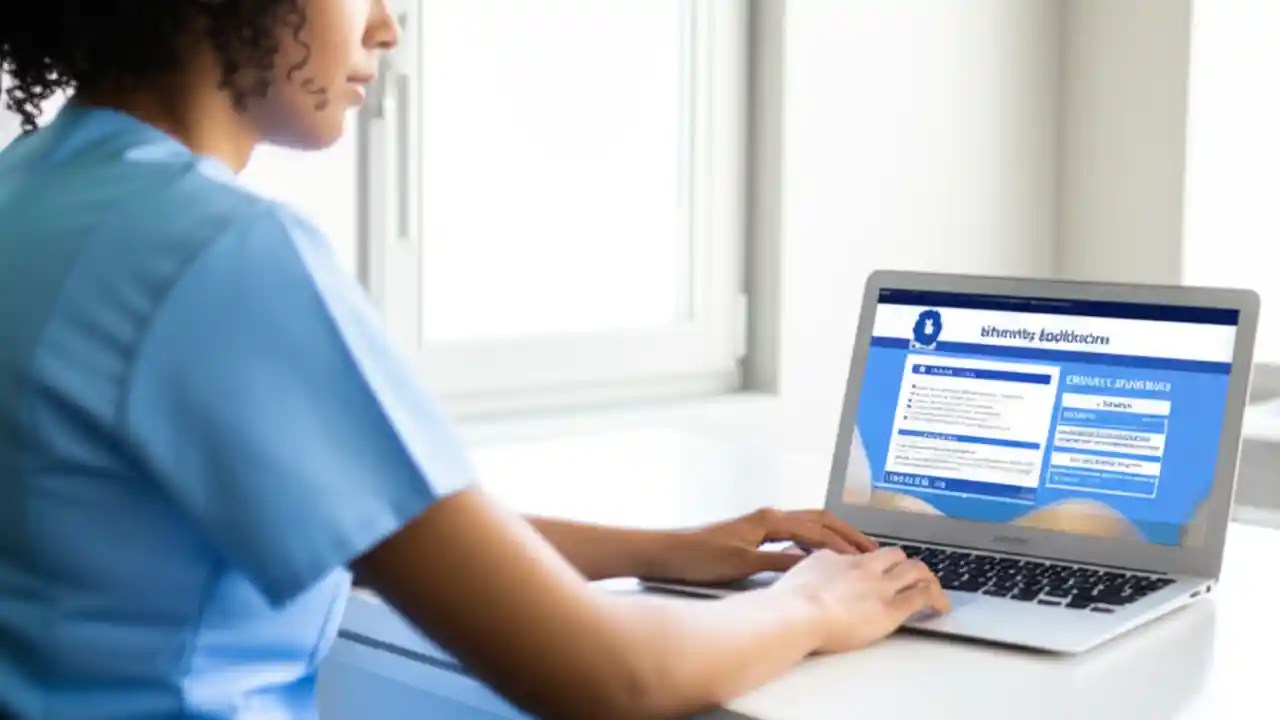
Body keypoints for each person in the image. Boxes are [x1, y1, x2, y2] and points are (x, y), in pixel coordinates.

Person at [0, 2, 948, 718]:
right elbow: (606, 677)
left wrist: (666, 551)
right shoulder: (217, 254)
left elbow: (372, 527)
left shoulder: (32, 193)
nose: (384, 27)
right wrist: (813, 607)